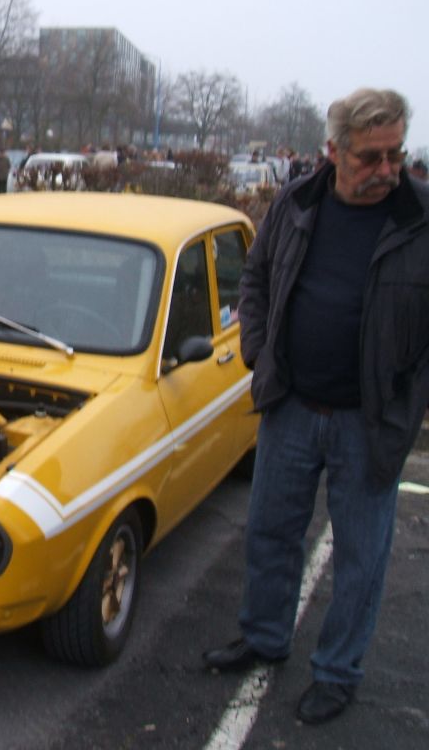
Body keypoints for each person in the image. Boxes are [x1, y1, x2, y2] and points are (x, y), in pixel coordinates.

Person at [203, 88, 429, 725]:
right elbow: (256, 276)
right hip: (292, 407)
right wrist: (256, 348)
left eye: (396, 155)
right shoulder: (296, 202)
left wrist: (411, 402)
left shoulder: (419, 220)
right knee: (271, 535)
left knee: (361, 557)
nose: (387, 170)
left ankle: (337, 672)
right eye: (370, 158)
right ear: (333, 152)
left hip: (371, 423)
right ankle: (264, 638)